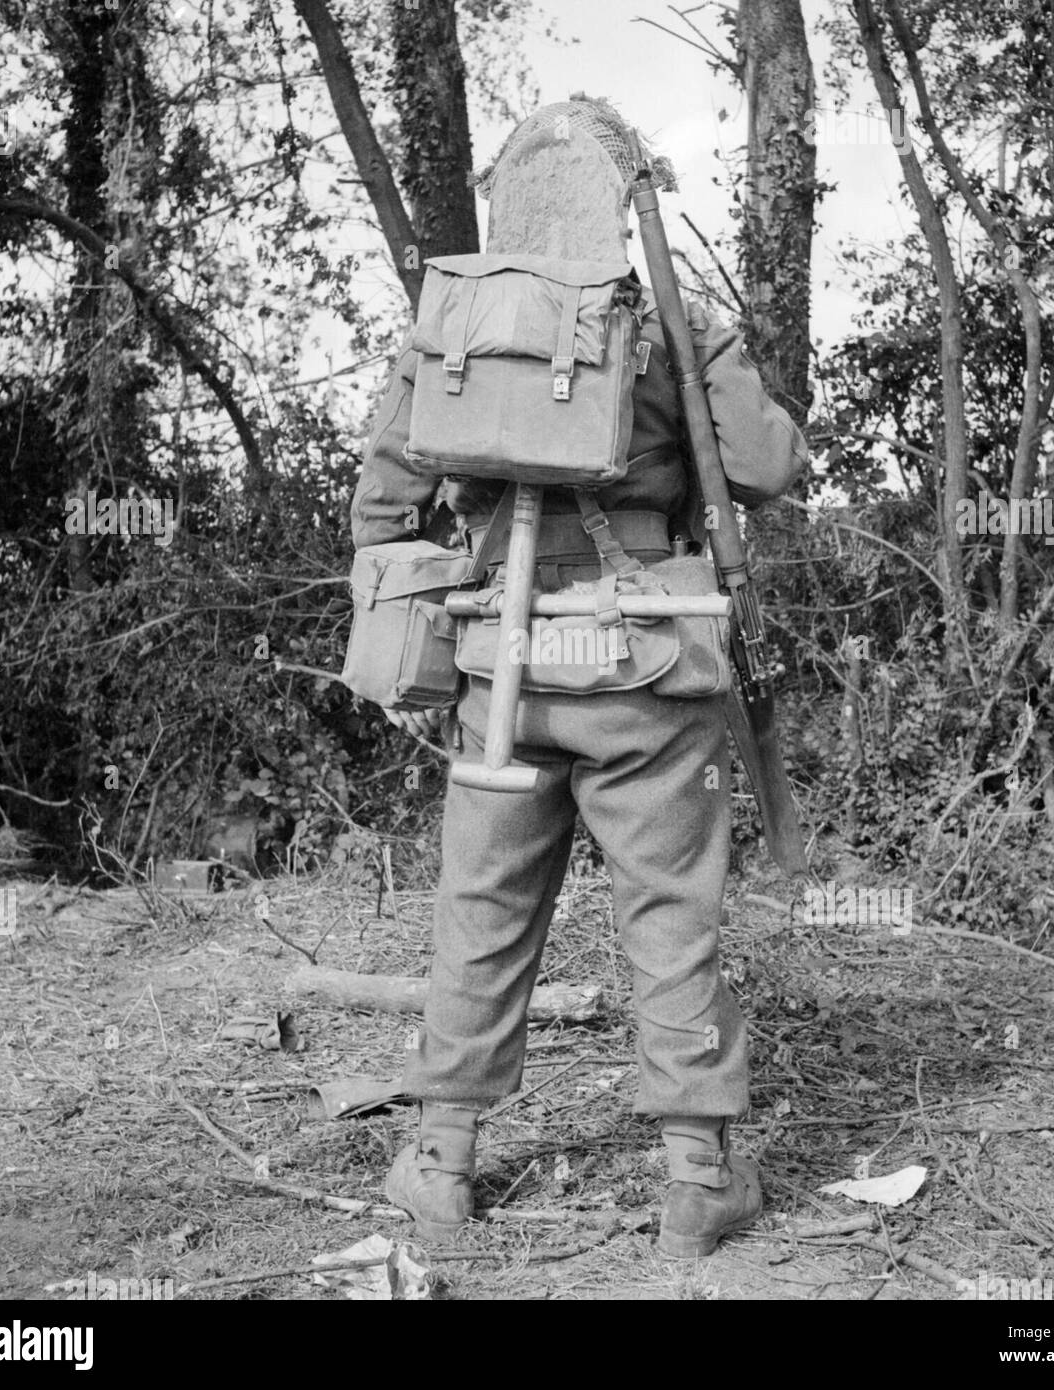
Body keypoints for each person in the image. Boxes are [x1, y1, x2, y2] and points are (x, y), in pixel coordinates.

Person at [349, 96, 808, 1258]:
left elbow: (382, 508)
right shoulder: (669, 322)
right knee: (671, 914)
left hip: (502, 668)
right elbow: (770, 463)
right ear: (627, 205)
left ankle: (444, 1162)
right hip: (640, 666)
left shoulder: (451, 324)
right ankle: (698, 1176)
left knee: (482, 911)